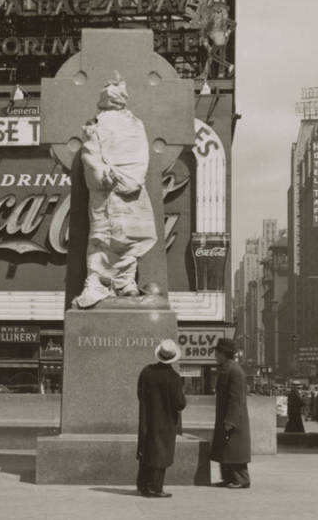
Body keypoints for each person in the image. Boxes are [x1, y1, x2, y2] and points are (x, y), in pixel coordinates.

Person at [73, 74, 157, 308]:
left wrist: (130, 179)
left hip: (132, 192)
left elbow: (141, 156)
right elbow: (90, 156)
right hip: (104, 193)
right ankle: (98, 282)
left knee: (132, 238)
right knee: (102, 238)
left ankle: (124, 281)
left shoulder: (135, 124)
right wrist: (104, 176)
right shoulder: (94, 125)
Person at [136, 339, 186, 499]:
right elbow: (180, 404)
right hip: (165, 421)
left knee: (147, 449)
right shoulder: (174, 377)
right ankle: (155, 488)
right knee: (161, 454)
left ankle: (143, 485)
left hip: (147, 417)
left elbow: (140, 394)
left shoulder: (146, 372)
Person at [211, 338, 251, 489]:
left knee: (234, 451)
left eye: (217, 351)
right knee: (226, 451)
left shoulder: (234, 371)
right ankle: (229, 478)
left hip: (233, 421)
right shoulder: (226, 368)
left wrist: (230, 421)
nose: (215, 354)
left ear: (223, 353)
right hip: (226, 418)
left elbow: (236, 399)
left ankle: (241, 480)